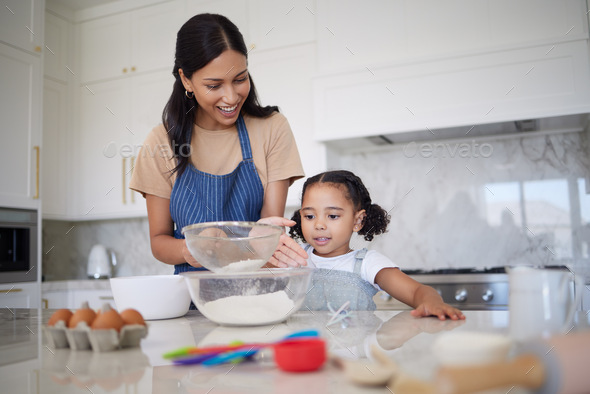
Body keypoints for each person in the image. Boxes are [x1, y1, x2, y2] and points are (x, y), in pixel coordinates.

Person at [129, 13, 307, 273]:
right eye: (214, 85)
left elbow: (269, 231)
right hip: (192, 302)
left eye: (240, 79)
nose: (231, 97)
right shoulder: (161, 141)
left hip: (256, 291)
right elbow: (159, 241)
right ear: (186, 80)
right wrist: (191, 250)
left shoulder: (272, 128)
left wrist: (252, 241)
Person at [289, 170, 465, 320]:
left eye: (333, 216)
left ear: (357, 221)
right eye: (310, 216)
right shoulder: (292, 256)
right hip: (305, 357)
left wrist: (432, 304)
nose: (319, 225)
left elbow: (417, 291)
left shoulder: (367, 263)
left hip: (354, 359)